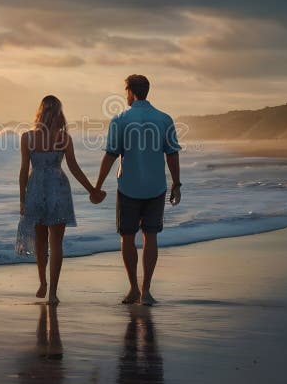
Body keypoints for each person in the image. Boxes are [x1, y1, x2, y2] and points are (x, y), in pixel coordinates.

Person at [93, 75, 181, 305]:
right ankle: (147, 291)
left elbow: (111, 155)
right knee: (150, 237)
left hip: (129, 187)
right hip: (156, 186)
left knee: (127, 237)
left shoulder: (120, 120)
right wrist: (176, 184)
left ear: (130, 91)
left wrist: (98, 187)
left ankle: (133, 288)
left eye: (126, 91)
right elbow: (172, 154)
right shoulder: (164, 119)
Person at [16, 95, 106, 304]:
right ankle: (53, 293)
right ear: (59, 113)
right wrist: (92, 190)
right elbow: (73, 168)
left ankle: (42, 282)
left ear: (40, 112)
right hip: (58, 188)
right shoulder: (64, 138)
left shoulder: (27, 137)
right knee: (56, 243)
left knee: (40, 241)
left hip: (36, 189)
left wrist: (22, 199)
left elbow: (23, 171)